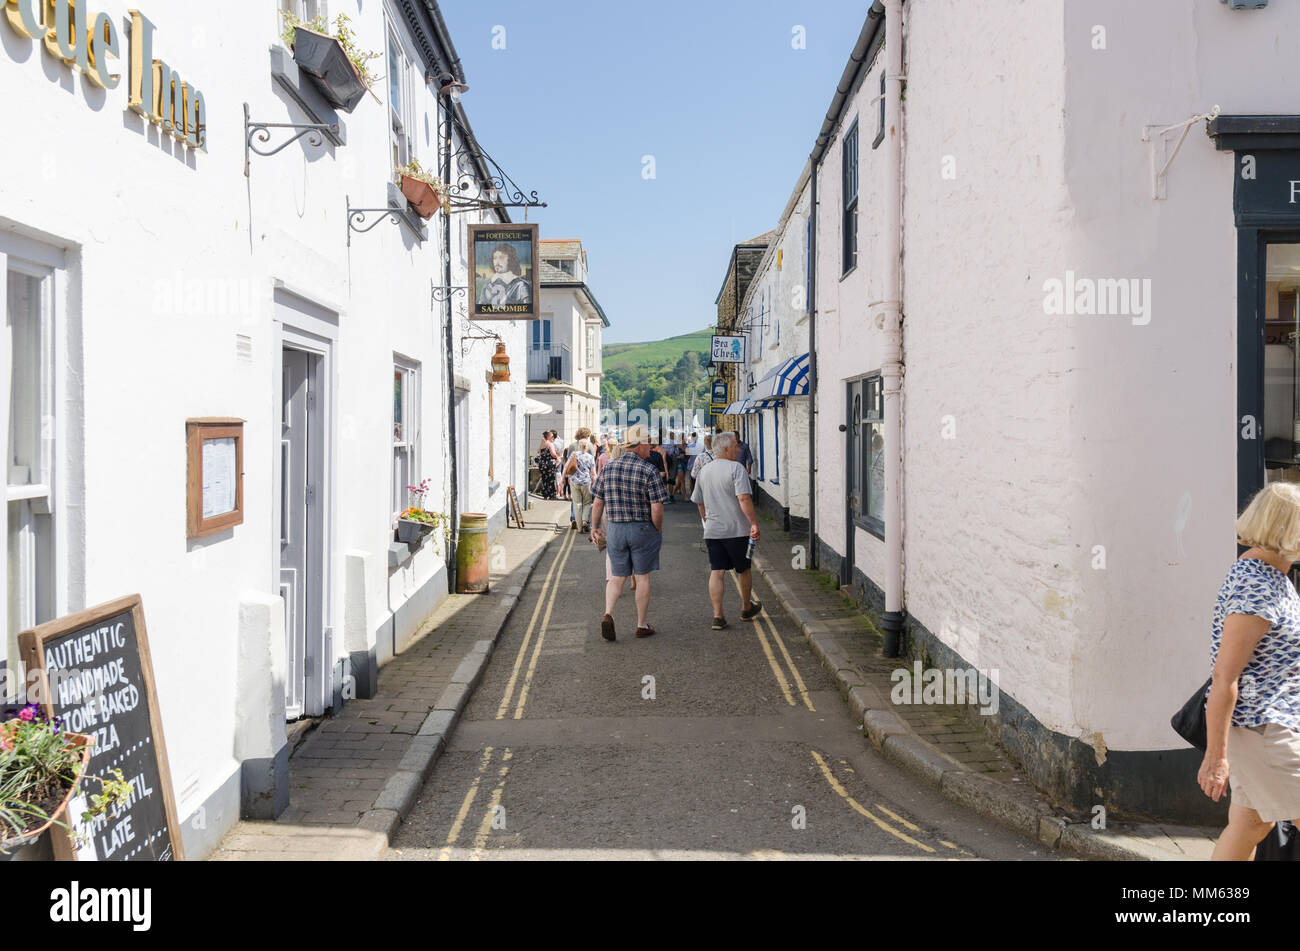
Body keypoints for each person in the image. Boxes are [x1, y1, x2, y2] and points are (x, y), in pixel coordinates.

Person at [1199, 481, 1300, 860]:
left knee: (1251, 825)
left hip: (1270, 728)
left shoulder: (1275, 577)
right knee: (1251, 824)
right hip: (1264, 732)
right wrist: (1217, 757)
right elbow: (1225, 677)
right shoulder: (1257, 584)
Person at [591, 424, 669, 640]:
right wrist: (657, 528)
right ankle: (641, 625)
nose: (651, 447)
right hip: (641, 527)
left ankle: (608, 613)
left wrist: (595, 526)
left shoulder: (609, 468)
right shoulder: (649, 470)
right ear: (639, 444)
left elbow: (598, 502)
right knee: (642, 577)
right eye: (648, 443)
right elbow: (657, 508)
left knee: (617, 577)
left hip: (615, 528)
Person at [691, 431, 761, 630]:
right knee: (744, 569)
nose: (739, 449)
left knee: (717, 571)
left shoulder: (704, 471)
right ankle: (746, 608)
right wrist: (754, 523)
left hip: (713, 531)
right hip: (737, 530)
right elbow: (744, 498)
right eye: (736, 446)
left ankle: (718, 616)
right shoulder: (736, 469)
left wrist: (707, 521)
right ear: (726, 448)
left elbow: (699, 502)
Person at [478, 243, 531, 307]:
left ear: (510, 259)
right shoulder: (487, 286)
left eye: (501, 258)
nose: (497, 262)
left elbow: (527, 310)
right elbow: (480, 308)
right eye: (494, 258)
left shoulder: (521, 286)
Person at [564, 438, 597, 532]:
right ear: (587, 447)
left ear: (579, 446)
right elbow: (593, 473)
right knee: (587, 503)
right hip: (586, 482)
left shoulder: (574, 455)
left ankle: (579, 528)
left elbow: (566, 466)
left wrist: (563, 478)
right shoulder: (590, 457)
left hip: (574, 482)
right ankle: (585, 520)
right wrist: (596, 483)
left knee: (577, 504)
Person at [535, 431, 559, 500]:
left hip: (542, 464)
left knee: (544, 479)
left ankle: (545, 495)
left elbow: (538, 451)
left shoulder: (542, 444)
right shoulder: (550, 444)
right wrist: (558, 457)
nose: (553, 438)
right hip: (549, 464)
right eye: (552, 437)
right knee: (551, 479)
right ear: (548, 437)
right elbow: (553, 454)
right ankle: (552, 495)